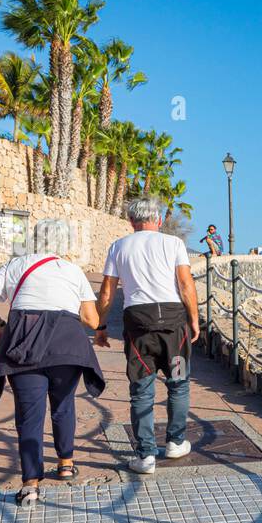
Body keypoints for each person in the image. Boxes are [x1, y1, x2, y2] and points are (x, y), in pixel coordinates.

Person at [0, 250, 106, 506]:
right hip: (67, 345)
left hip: (24, 344)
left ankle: (29, 485)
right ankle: (66, 464)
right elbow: (91, 319)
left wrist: (1, 326)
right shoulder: (72, 269)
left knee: (29, 414)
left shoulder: (16, 264)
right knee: (63, 405)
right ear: (63, 246)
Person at [96, 197, 201, 474]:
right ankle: (176, 442)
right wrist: (194, 319)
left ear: (131, 221)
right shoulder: (174, 244)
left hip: (138, 326)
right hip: (173, 326)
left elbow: (107, 291)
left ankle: (145, 456)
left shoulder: (118, 247)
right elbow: (185, 284)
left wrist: (100, 326)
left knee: (141, 389)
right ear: (159, 220)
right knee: (178, 382)